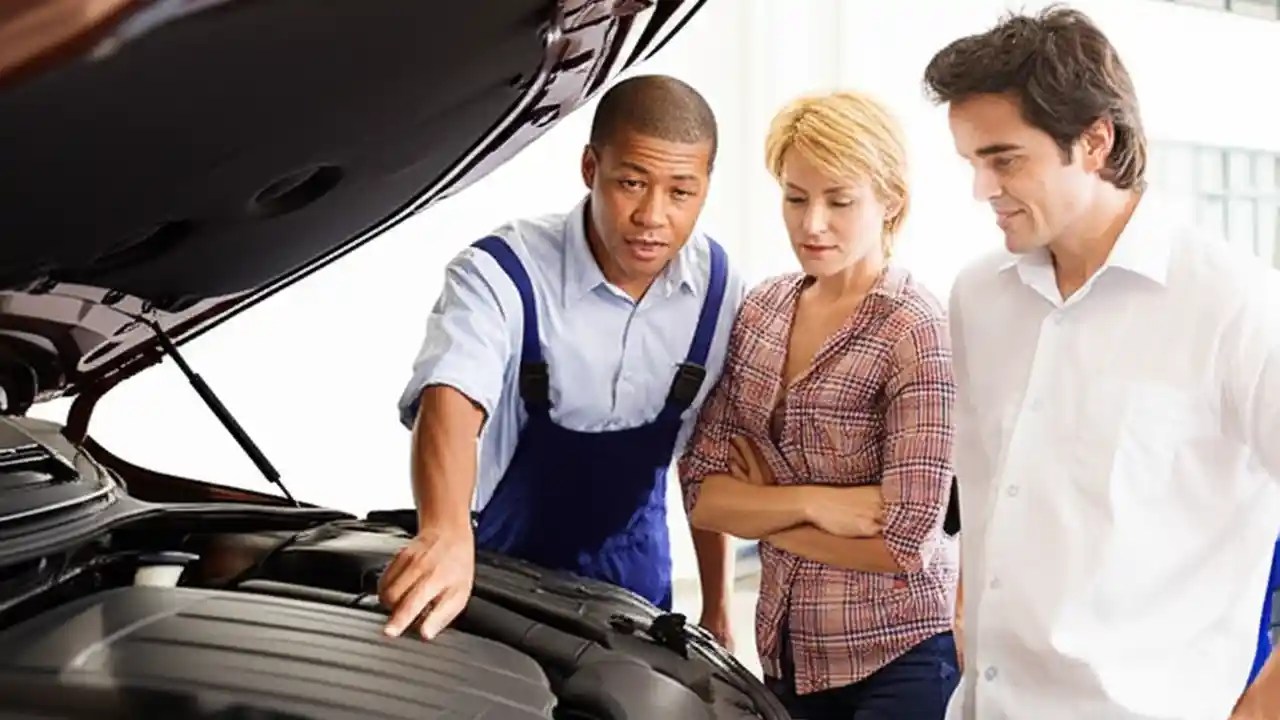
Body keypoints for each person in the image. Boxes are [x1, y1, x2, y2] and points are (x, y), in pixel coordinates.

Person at [924, 7, 1280, 719]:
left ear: (1094, 140)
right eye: (972, 163)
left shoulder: (1236, 305)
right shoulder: (978, 296)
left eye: (1004, 159)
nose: (981, 189)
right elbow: (994, 491)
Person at [377, 74, 747, 647]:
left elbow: (707, 455)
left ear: (705, 186)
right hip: (502, 587)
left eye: (681, 192)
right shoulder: (504, 272)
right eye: (631, 183)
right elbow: (451, 394)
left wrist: (718, 606)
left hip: (639, 599)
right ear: (590, 168)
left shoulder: (719, 289)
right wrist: (444, 532)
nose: (653, 216)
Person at [678, 89, 960, 719]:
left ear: (891, 201)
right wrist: (814, 503)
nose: (812, 225)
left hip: (903, 654)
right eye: (796, 198)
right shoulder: (761, 310)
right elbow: (702, 492)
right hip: (787, 654)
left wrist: (762, 511)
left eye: (840, 201)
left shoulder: (916, 330)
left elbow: (905, 543)